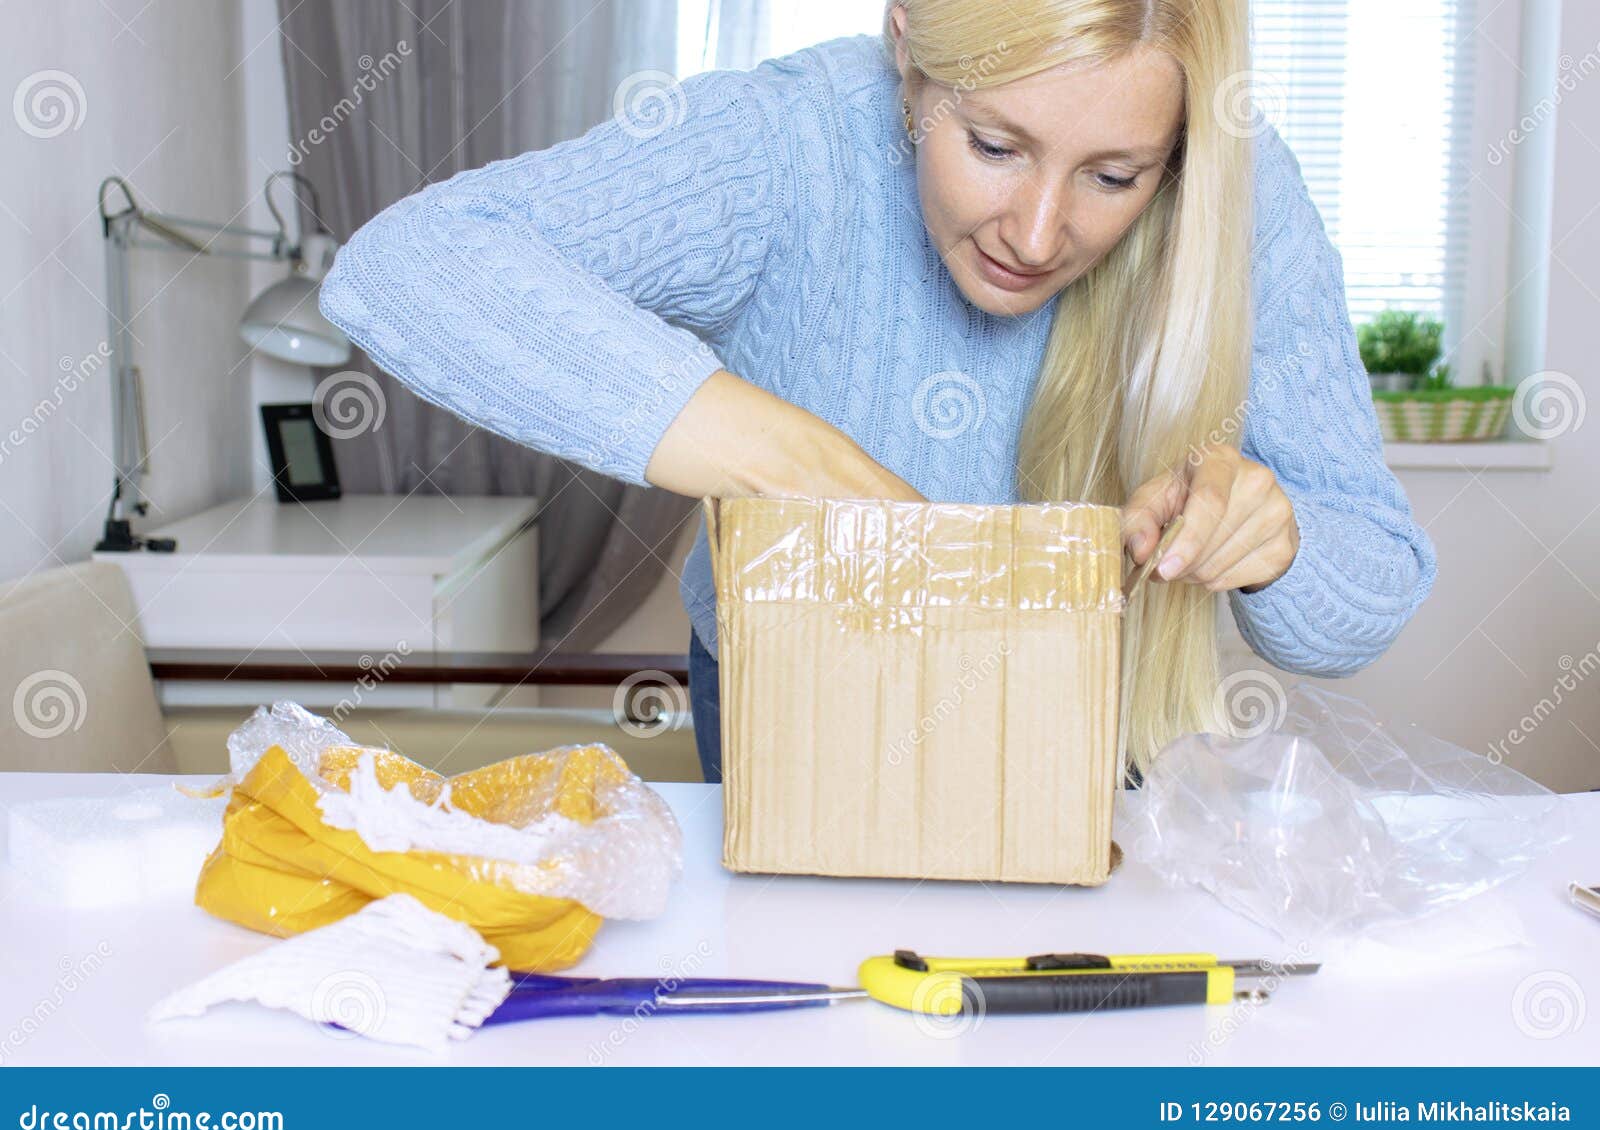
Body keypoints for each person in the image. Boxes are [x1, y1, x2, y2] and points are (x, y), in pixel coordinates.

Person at [318, 0, 1436, 784]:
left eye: (1113, 176)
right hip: (793, 705)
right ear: (906, 47)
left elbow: (1370, 589)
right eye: (994, 145)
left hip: (1092, 725)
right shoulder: (788, 138)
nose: (1038, 234)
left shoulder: (1242, 188)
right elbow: (403, 267)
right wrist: (773, 453)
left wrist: (1274, 540)